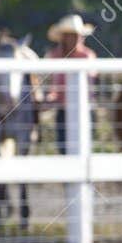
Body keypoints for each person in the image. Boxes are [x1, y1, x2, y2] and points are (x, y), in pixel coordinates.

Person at [42, 14, 97, 154]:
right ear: (63, 37)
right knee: (63, 149)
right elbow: (51, 84)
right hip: (62, 110)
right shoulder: (53, 56)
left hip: (84, 109)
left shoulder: (87, 56)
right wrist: (50, 98)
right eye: (70, 35)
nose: (75, 39)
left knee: (84, 148)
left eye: (77, 35)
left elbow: (89, 86)